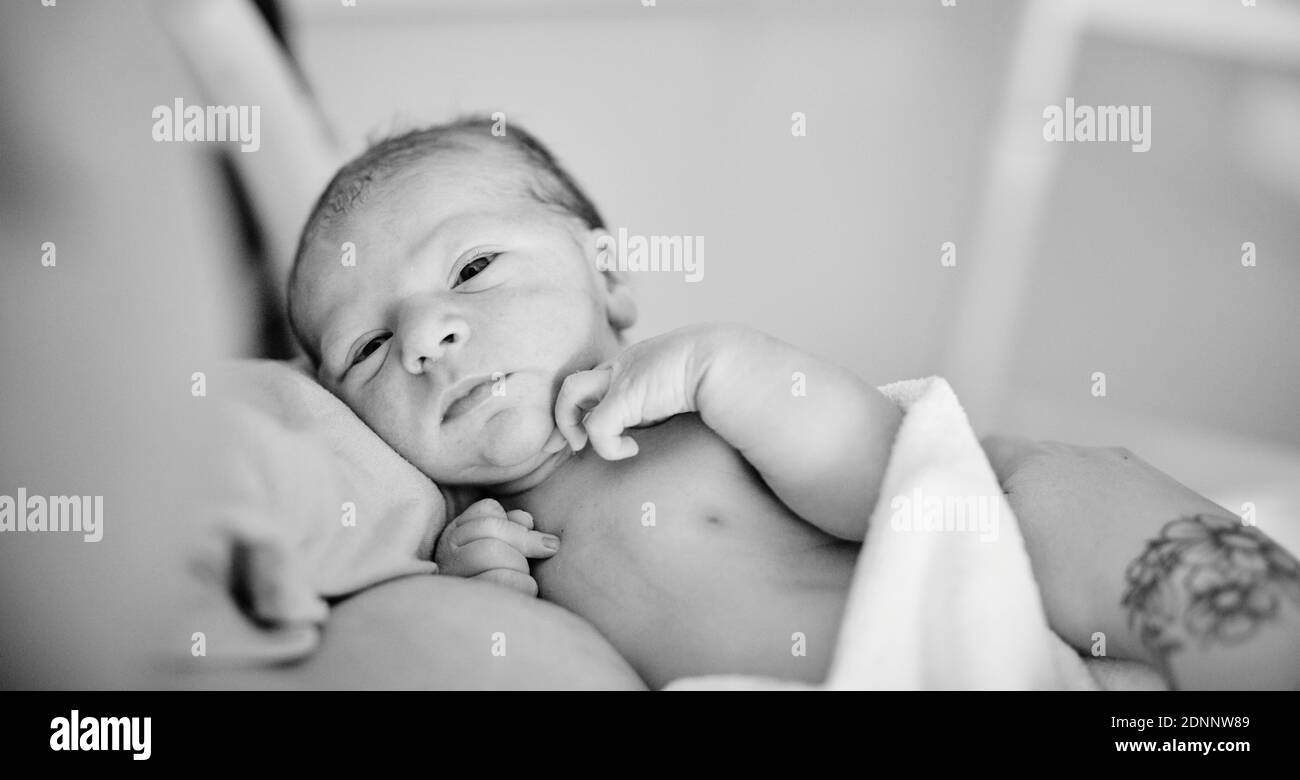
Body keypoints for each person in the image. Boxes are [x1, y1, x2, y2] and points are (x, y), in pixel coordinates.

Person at [287, 118, 1300, 690]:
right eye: (369, 345)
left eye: (470, 265)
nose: (426, 336)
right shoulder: (467, 537)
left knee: (1063, 485)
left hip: (969, 637)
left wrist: (736, 371)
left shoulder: (695, 408)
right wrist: (486, 595)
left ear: (611, 282)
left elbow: (892, 484)